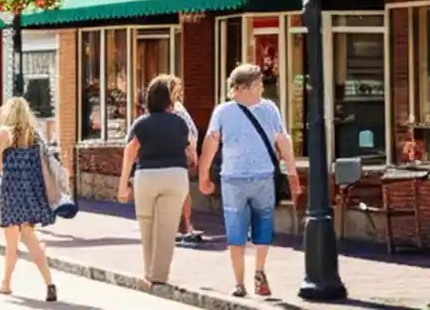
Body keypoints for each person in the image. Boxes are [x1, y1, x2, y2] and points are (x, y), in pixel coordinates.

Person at [199, 64, 302, 298]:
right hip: (232, 178)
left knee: (263, 228)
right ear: (239, 89)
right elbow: (211, 143)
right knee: (235, 232)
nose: (261, 89)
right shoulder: (223, 111)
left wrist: (293, 176)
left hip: (263, 177)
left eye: (261, 85)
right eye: (257, 86)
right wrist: (204, 175)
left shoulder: (269, 109)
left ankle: (259, 271)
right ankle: (239, 282)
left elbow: (283, 142)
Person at [118, 75, 195, 288]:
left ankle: (149, 273)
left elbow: (131, 150)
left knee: (147, 224)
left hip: (147, 176)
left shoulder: (141, 123)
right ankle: (159, 276)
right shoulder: (179, 122)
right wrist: (193, 161)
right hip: (176, 176)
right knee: (167, 229)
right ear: (169, 101)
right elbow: (189, 150)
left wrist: (123, 183)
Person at [0, 97, 57, 302]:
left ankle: (6, 284)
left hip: (11, 190)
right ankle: (49, 283)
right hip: (30, 191)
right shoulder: (34, 135)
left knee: (11, 242)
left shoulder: (3, 134)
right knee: (31, 239)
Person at [164, 75, 202, 241]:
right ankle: (183, 226)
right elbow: (192, 133)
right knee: (180, 192)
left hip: (175, 155)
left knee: (177, 192)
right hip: (177, 156)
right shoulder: (176, 110)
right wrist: (193, 155)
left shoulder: (176, 110)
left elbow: (190, 133)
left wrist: (192, 154)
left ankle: (183, 226)